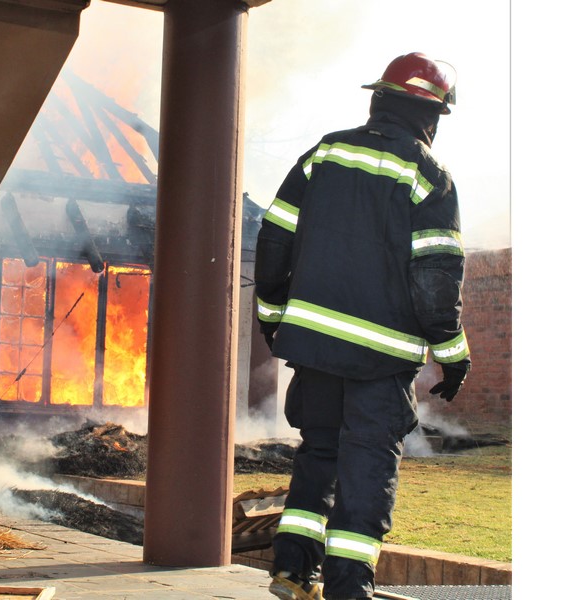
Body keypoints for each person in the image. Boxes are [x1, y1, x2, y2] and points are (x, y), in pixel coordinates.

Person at [254, 52, 471, 600]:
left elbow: (275, 235)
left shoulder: (326, 151)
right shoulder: (429, 174)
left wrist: (273, 315)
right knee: (368, 466)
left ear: (379, 98)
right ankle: (349, 589)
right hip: (380, 357)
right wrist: (452, 351)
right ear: (432, 115)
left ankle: (291, 572)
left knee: (319, 453)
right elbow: (436, 275)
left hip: (316, 348)